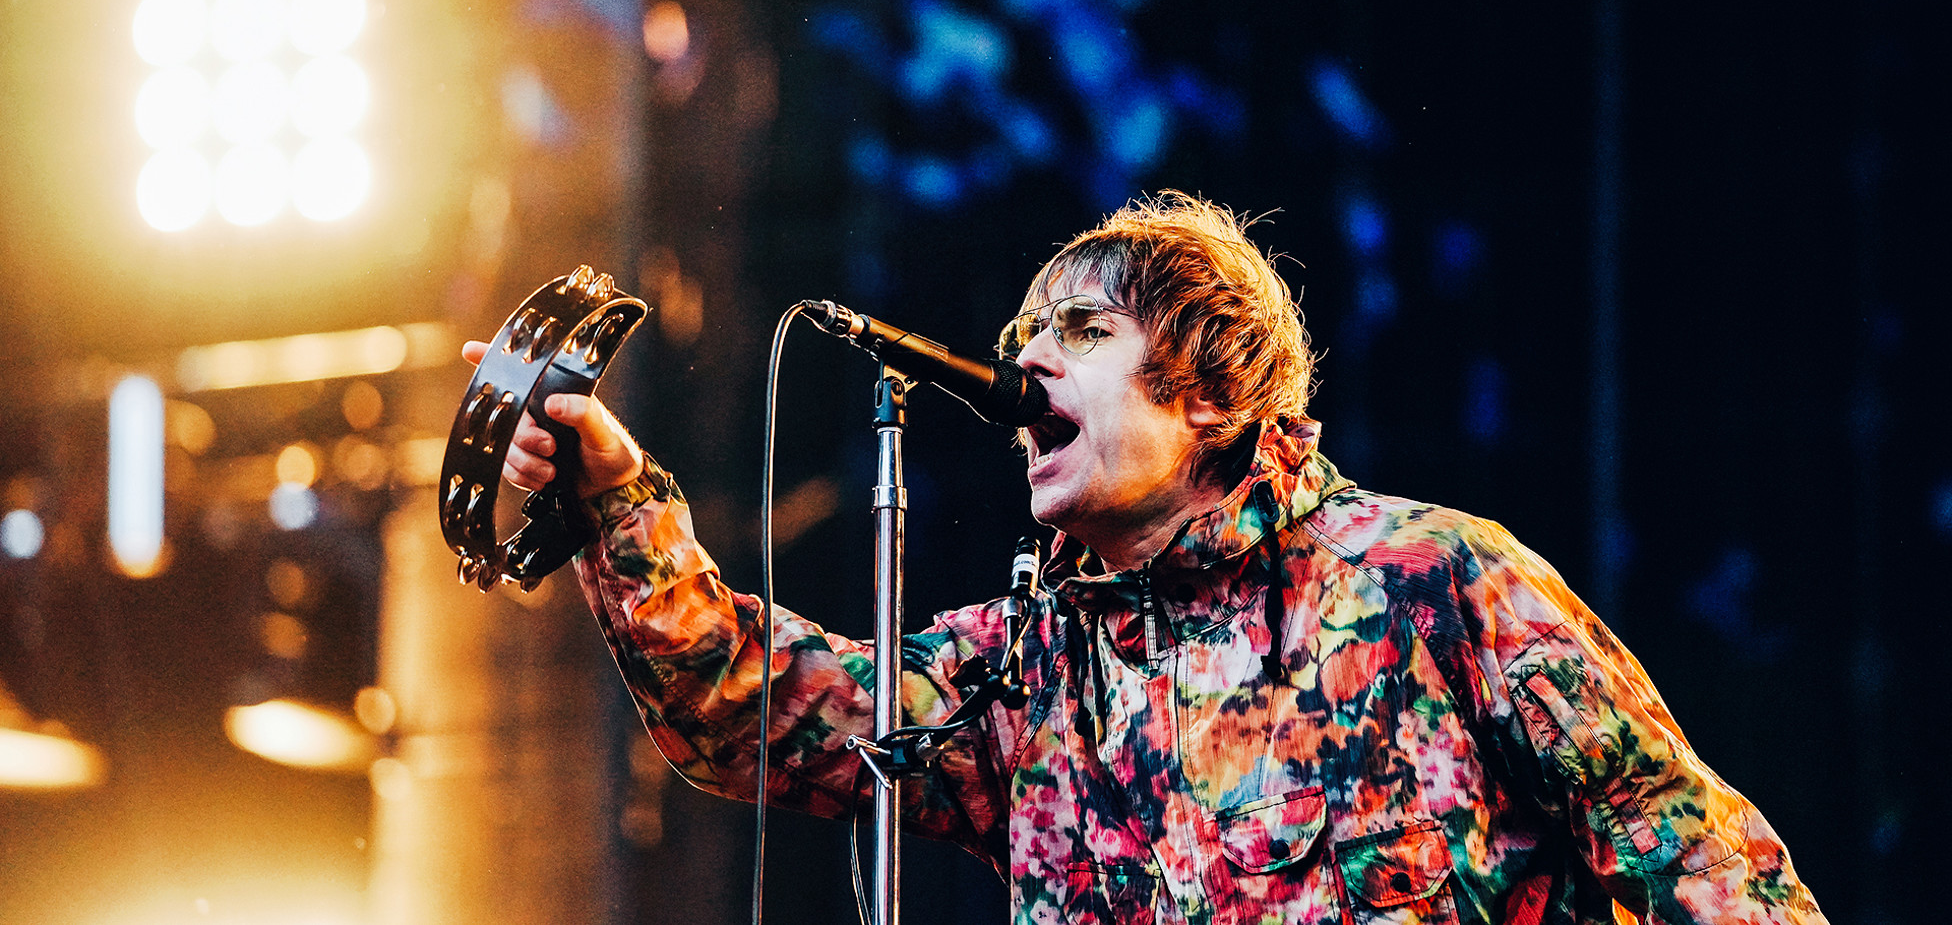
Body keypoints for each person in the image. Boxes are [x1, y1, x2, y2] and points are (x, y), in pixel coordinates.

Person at [465, 193, 1825, 924]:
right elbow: (751, 708)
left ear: (1213, 388)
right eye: (1026, 335)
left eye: (1083, 331)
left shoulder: (1436, 583)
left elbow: (1702, 859)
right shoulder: (1029, 671)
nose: (1029, 361)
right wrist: (610, 498)